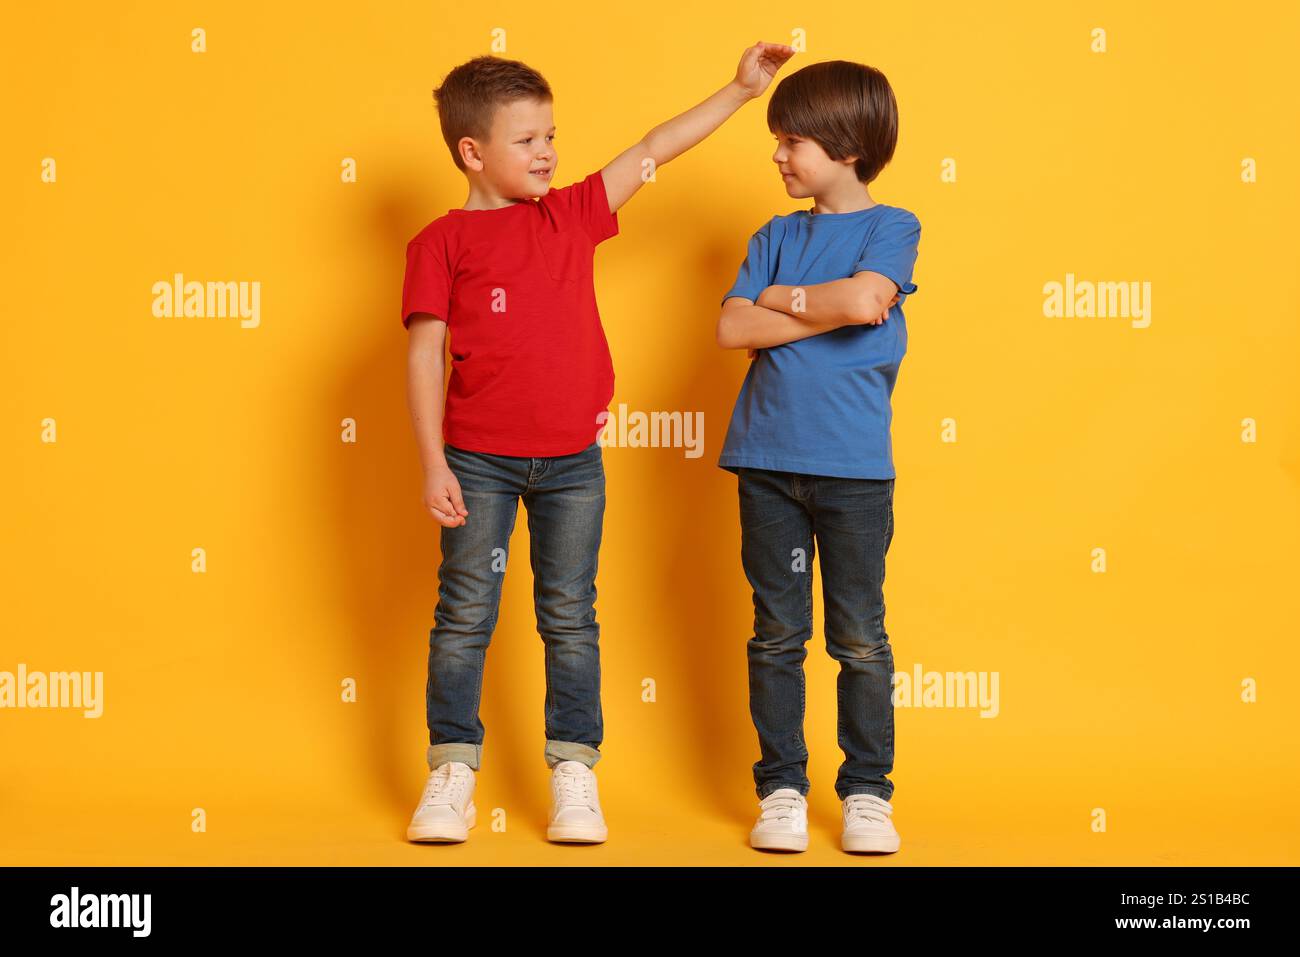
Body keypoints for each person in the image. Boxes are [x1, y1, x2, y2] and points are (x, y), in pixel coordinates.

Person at [402, 43, 796, 844]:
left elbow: (653, 149)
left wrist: (739, 91)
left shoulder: (570, 213)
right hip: (476, 460)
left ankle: (573, 769)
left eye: (552, 134)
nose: (549, 150)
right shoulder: (439, 243)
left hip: (573, 464)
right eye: (528, 140)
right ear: (472, 152)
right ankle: (452, 768)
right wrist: (434, 462)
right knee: (465, 612)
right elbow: (423, 354)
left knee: (570, 614)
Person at [714, 59, 922, 854]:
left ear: (844, 145)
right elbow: (732, 329)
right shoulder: (774, 234)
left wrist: (778, 299)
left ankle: (867, 792)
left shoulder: (891, 226)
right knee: (775, 634)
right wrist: (823, 307)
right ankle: (783, 789)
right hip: (766, 462)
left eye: (791, 140)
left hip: (855, 471)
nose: (777, 156)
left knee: (860, 635)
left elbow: (869, 299)